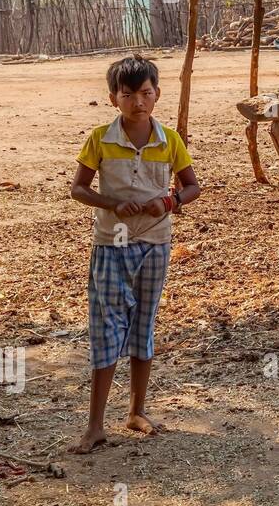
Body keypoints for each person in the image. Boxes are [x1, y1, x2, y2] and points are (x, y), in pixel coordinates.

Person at [67, 55, 200, 454]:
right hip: (112, 244)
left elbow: (193, 186)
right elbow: (78, 189)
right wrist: (110, 203)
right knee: (107, 329)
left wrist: (172, 201)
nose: (138, 102)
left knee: (143, 324)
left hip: (156, 243)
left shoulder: (170, 140)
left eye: (146, 93)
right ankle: (94, 425)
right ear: (114, 99)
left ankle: (136, 411)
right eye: (128, 95)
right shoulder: (99, 139)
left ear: (157, 94)